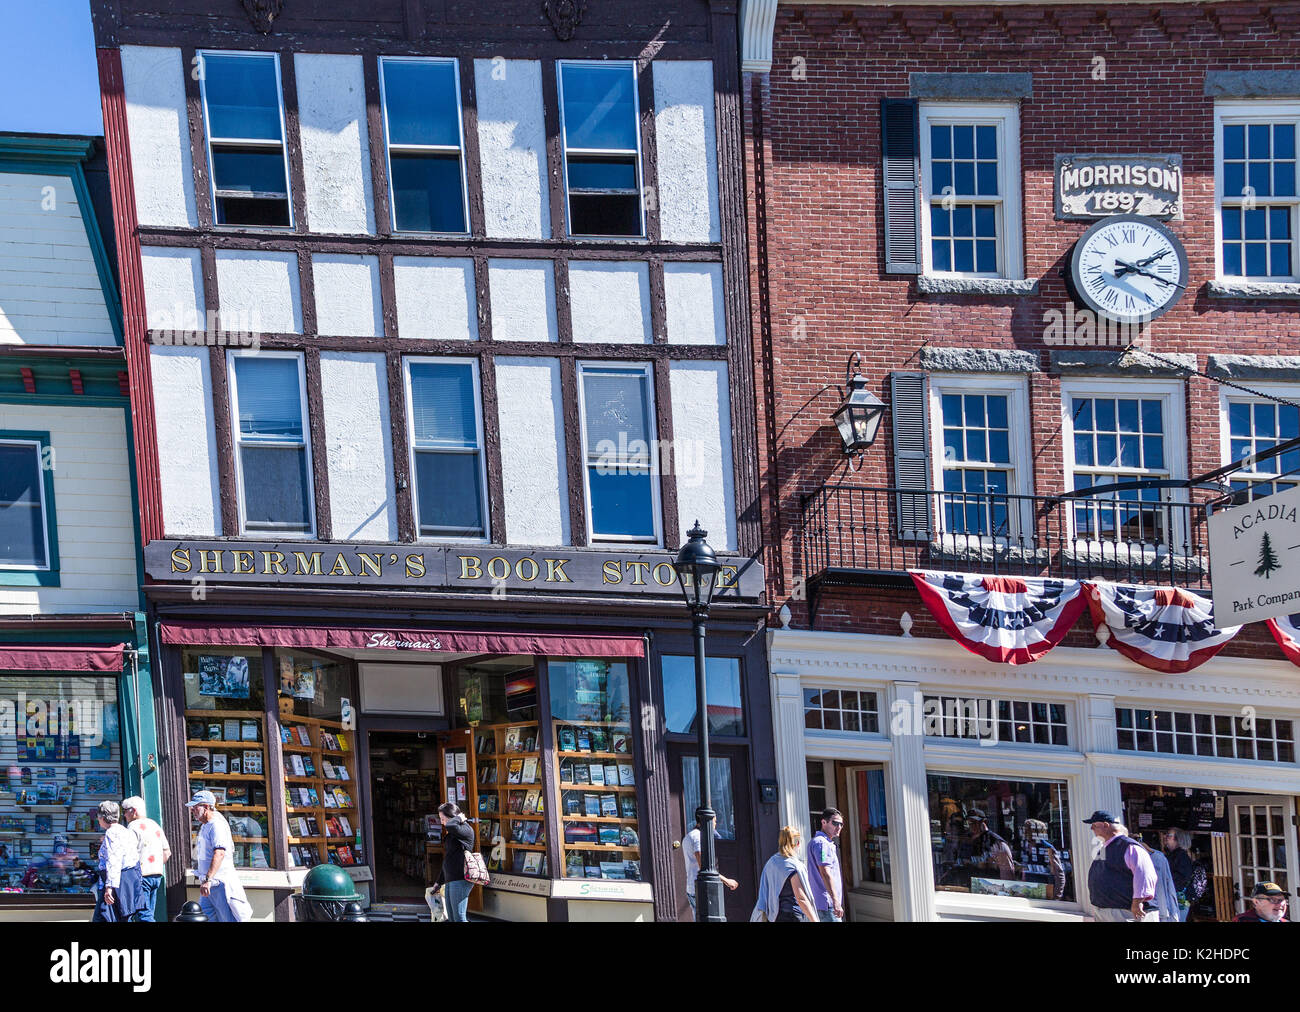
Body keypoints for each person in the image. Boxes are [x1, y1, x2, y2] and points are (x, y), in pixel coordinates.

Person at [187, 789, 252, 922]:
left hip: (218, 883)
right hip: (209, 883)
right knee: (203, 918)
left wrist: (208, 879)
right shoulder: (206, 825)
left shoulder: (216, 825)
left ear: (206, 807)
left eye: (195, 807)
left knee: (226, 919)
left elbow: (220, 852)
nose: (192, 810)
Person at [1082, 811, 1159, 922]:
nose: (1091, 829)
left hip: (1127, 912)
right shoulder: (1105, 847)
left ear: (1106, 825)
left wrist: (1137, 902)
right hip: (1108, 911)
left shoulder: (1129, 847)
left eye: (1094, 825)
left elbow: (1145, 875)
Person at [751, 826, 817, 922]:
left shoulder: (771, 862)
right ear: (797, 843)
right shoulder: (793, 866)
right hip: (792, 915)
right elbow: (801, 898)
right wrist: (814, 919)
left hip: (775, 915)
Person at [93, 800, 146, 922]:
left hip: (117, 881)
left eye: (98, 816)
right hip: (128, 879)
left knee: (106, 917)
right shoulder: (124, 831)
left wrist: (109, 887)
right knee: (121, 917)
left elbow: (114, 860)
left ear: (102, 817)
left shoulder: (112, 833)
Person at [122, 795, 171, 923]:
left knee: (144, 915)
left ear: (133, 811)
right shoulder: (154, 825)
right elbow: (167, 852)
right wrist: (156, 865)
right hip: (156, 876)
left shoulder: (133, 827)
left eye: (125, 811)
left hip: (141, 876)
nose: (124, 815)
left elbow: (128, 853)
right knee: (149, 913)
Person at [680, 814, 739, 920]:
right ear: (706, 821)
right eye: (714, 821)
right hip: (700, 887)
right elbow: (704, 866)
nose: (715, 824)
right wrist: (726, 881)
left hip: (693, 886)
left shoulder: (689, 836)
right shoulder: (698, 836)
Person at [432, 802, 476, 922]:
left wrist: (459, 817)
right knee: (451, 917)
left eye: (443, 818)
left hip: (461, 879)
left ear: (452, 816)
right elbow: (449, 859)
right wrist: (439, 882)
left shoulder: (465, 829)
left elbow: (451, 825)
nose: (442, 822)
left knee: (459, 917)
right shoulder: (453, 832)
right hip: (451, 879)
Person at [808, 807, 844, 922]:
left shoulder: (821, 842)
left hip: (823, 905)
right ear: (824, 822)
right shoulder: (822, 843)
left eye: (841, 824)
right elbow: (825, 873)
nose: (838, 827)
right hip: (826, 906)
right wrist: (836, 902)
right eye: (835, 823)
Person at [1137, 837, 1181, 924]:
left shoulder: (1158, 858)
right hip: (1154, 907)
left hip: (1154, 907)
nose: (1166, 837)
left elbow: (1170, 885)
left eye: (1169, 835)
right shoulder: (1158, 858)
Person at [1020, 818, 1067, 900]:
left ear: (1036, 831)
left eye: (1028, 830)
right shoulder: (1026, 846)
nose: (1025, 832)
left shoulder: (1048, 848)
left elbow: (1059, 874)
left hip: (1044, 891)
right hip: (1028, 890)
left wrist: (1056, 896)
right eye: (1025, 829)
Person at [967, 810, 1016, 880]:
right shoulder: (968, 840)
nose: (972, 826)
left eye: (975, 822)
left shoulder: (996, 842)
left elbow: (1007, 873)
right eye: (970, 823)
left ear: (985, 822)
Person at [1162, 828, 1196, 920]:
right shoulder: (1174, 855)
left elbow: (1181, 878)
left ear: (1178, 839)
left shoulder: (1181, 856)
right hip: (1175, 898)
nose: (1165, 837)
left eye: (1169, 835)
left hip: (1179, 898)